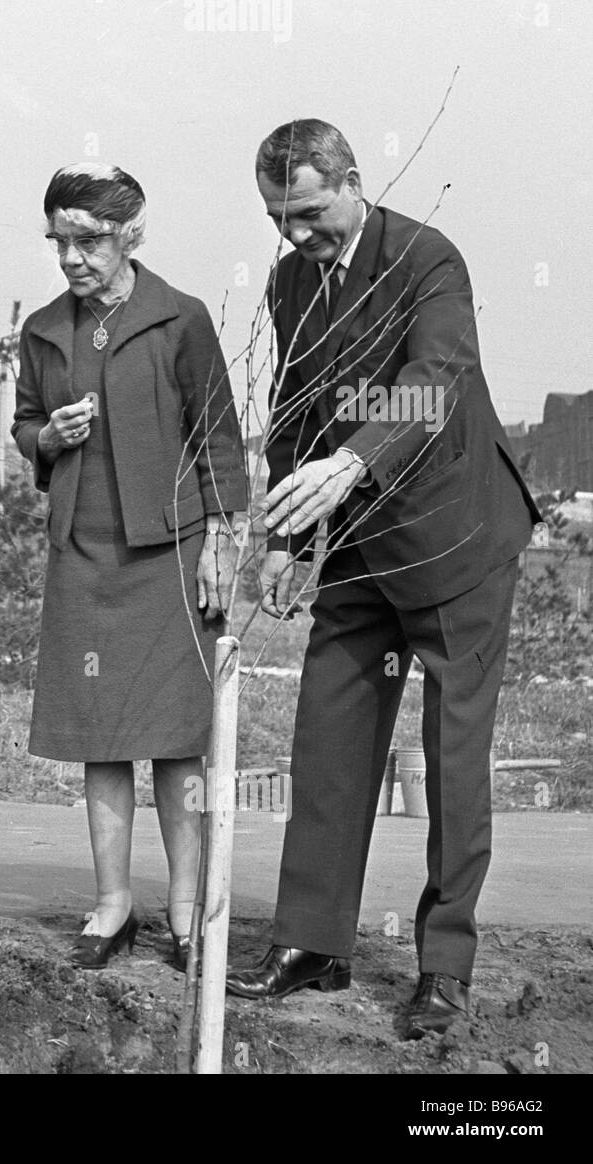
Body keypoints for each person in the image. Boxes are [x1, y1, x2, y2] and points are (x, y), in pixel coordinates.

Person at [226, 120, 540, 1038]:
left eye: (312, 214)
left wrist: (352, 466)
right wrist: (287, 534)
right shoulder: (291, 280)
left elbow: (436, 376)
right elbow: (292, 401)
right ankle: (312, 942)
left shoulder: (429, 257)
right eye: (280, 220)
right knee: (327, 734)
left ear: (355, 183)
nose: (297, 236)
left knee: (449, 758)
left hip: (456, 538)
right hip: (356, 537)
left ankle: (444, 966)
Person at [12, 164, 248, 971]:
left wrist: (223, 535)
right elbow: (25, 425)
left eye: (90, 241)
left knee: (179, 742)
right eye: (60, 241)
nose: (73, 258)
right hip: (84, 555)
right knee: (100, 739)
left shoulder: (180, 320)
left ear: (131, 234)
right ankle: (113, 908)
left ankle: (186, 909)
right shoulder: (44, 330)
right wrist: (49, 439)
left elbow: (218, 435)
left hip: (172, 556)